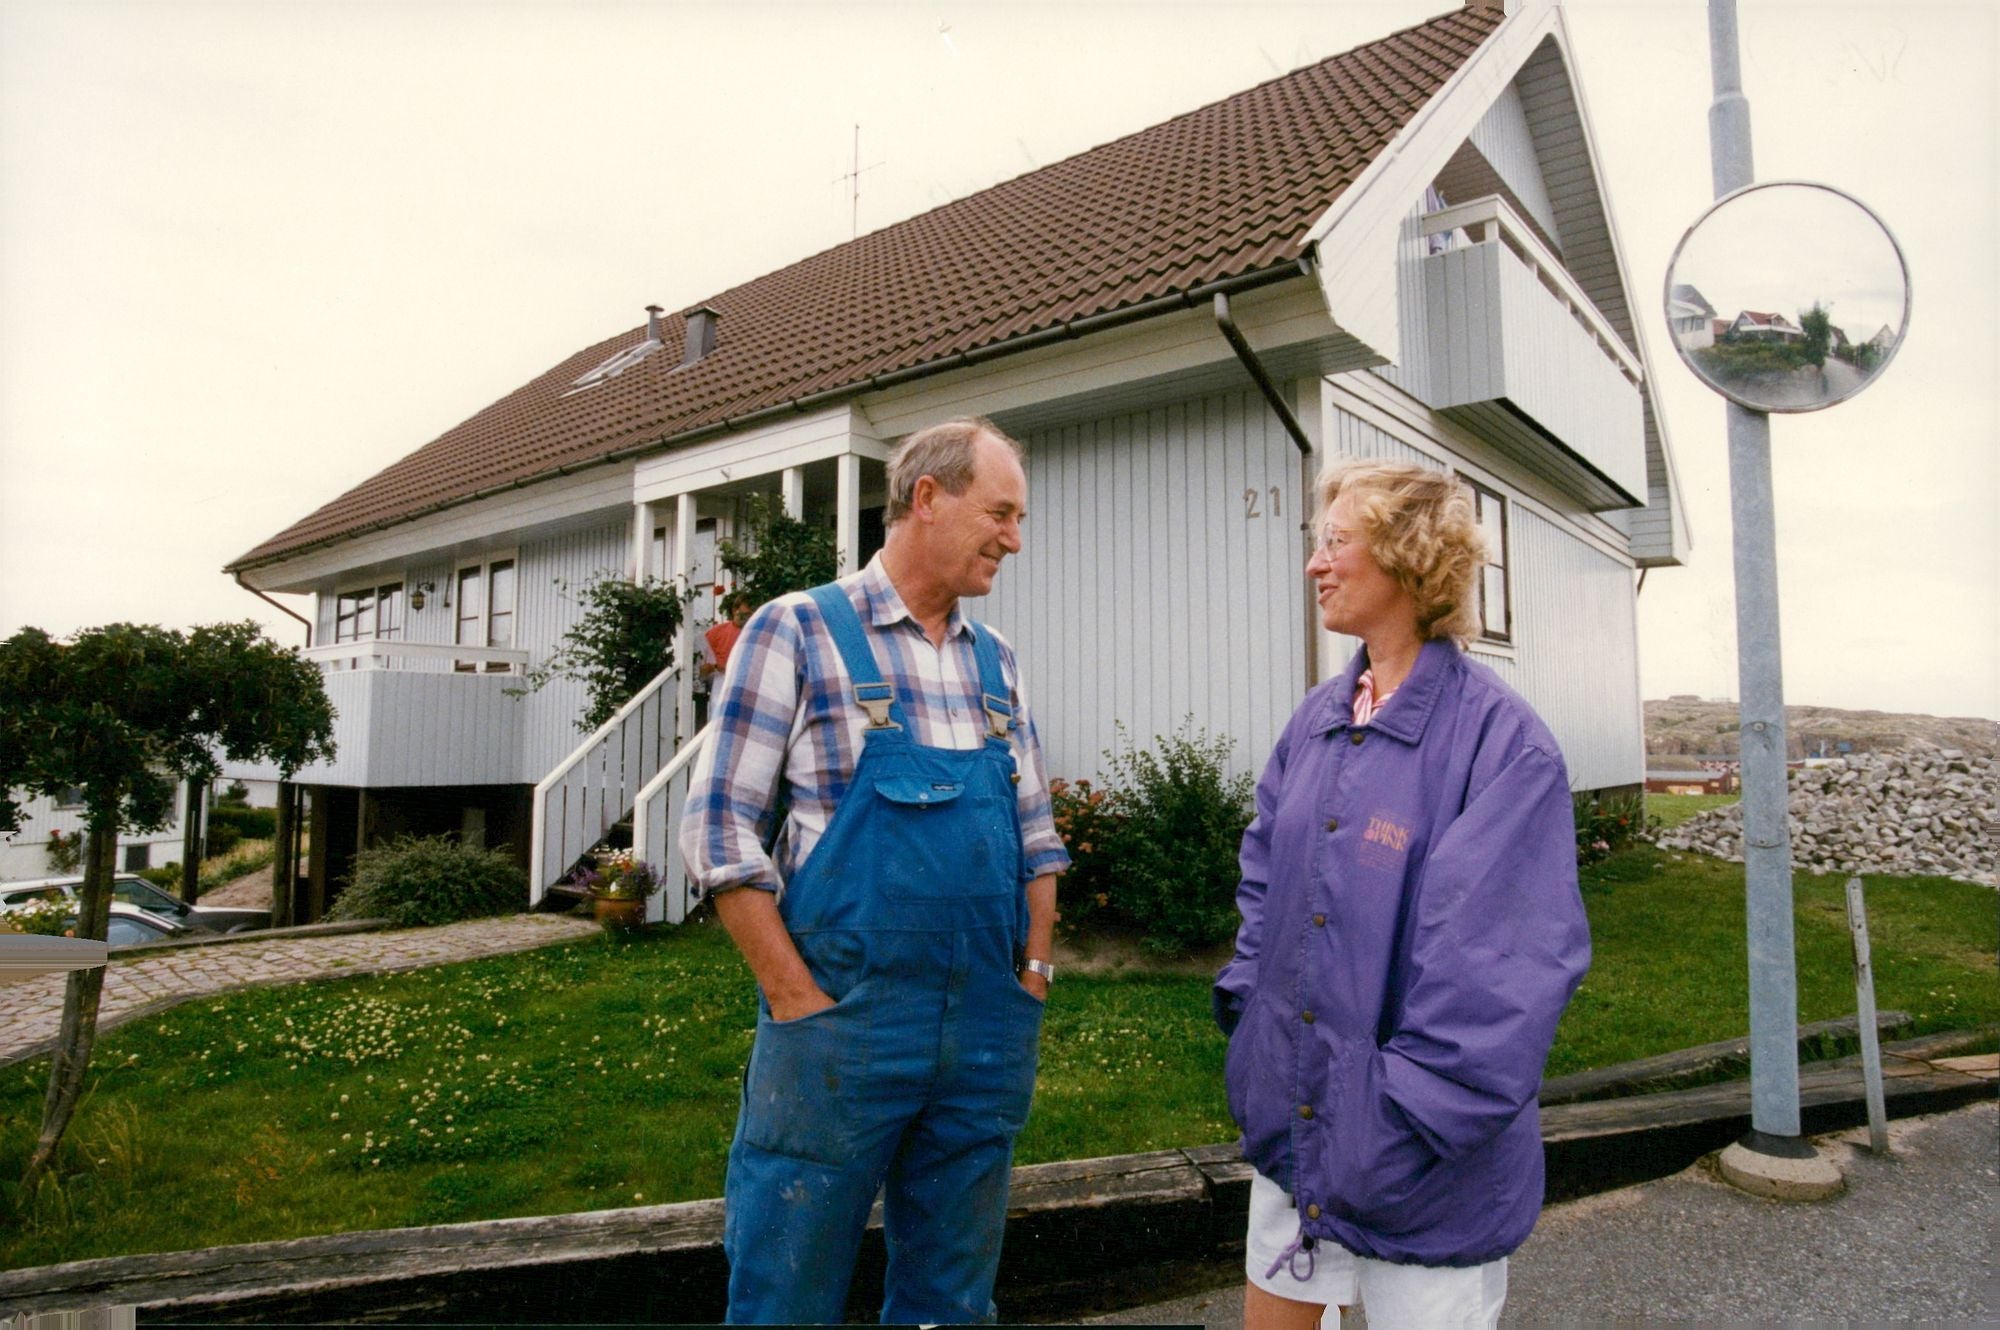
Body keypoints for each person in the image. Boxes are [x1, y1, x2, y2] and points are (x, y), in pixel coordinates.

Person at [680, 417, 1069, 1325]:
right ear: (926, 499)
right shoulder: (797, 631)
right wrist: (794, 1001)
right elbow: (718, 828)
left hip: (984, 1028)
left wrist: (1034, 978)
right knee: (787, 1291)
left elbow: (1036, 837)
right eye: (1001, 513)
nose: (1014, 539)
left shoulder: (996, 663)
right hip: (840, 1027)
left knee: (952, 1298)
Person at [1215, 460, 1591, 1330]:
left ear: (1409, 558)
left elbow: (1500, 983)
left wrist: (1389, 1127)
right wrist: (1254, 1042)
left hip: (1421, 1165)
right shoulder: (1315, 722)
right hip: (1298, 1133)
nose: (1316, 563)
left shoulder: (1506, 748)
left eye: (1336, 542)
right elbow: (1264, 895)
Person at [693, 592, 751, 730]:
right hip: (720, 680)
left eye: (749, 616)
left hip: (745, 679)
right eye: (742, 615)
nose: (745, 619)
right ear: (734, 611)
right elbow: (702, 657)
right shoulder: (717, 632)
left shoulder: (753, 632)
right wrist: (709, 668)